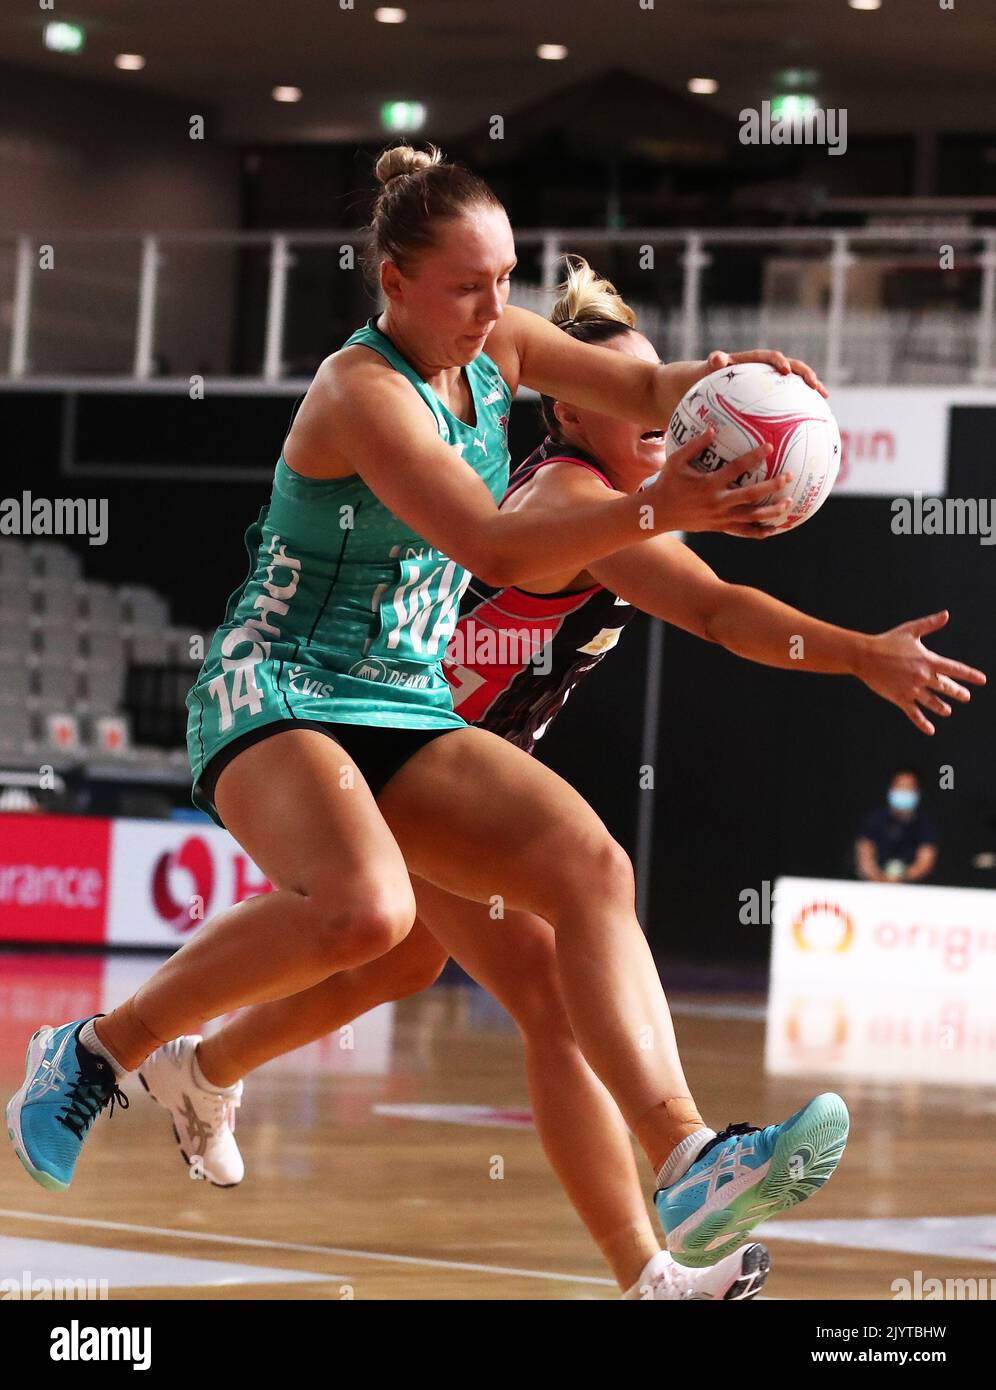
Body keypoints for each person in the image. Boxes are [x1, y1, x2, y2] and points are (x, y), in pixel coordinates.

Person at [7, 143, 851, 1276]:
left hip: (402, 697)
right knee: (369, 914)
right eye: (467, 284)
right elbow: (492, 540)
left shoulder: (500, 346)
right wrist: (659, 503)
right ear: (394, 281)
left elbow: (648, 389)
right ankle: (96, 1050)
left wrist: (735, 375)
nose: (494, 305)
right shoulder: (358, 392)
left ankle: (689, 1156)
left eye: (505, 278)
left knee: (590, 871)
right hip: (282, 679)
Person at [135, 259, 981, 1294]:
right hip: (395, 750)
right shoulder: (578, 496)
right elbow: (717, 612)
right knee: (543, 985)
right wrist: (858, 652)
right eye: (652, 412)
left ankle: (201, 1067)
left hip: (445, 764)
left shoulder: (623, 497)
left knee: (402, 963)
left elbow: (709, 589)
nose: (673, 430)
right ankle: (661, 1234)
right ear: (576, 412)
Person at [855, 770, 939, 883]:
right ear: (891, 790)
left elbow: (925, 862)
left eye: (908, 788)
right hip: (873, 884)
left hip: (911, 888)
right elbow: (865, 855)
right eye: (900, 787)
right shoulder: (875, 820)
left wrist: (900, 878)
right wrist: (880, 879)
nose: (903, 792)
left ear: (917, 793)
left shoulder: (925, 824)